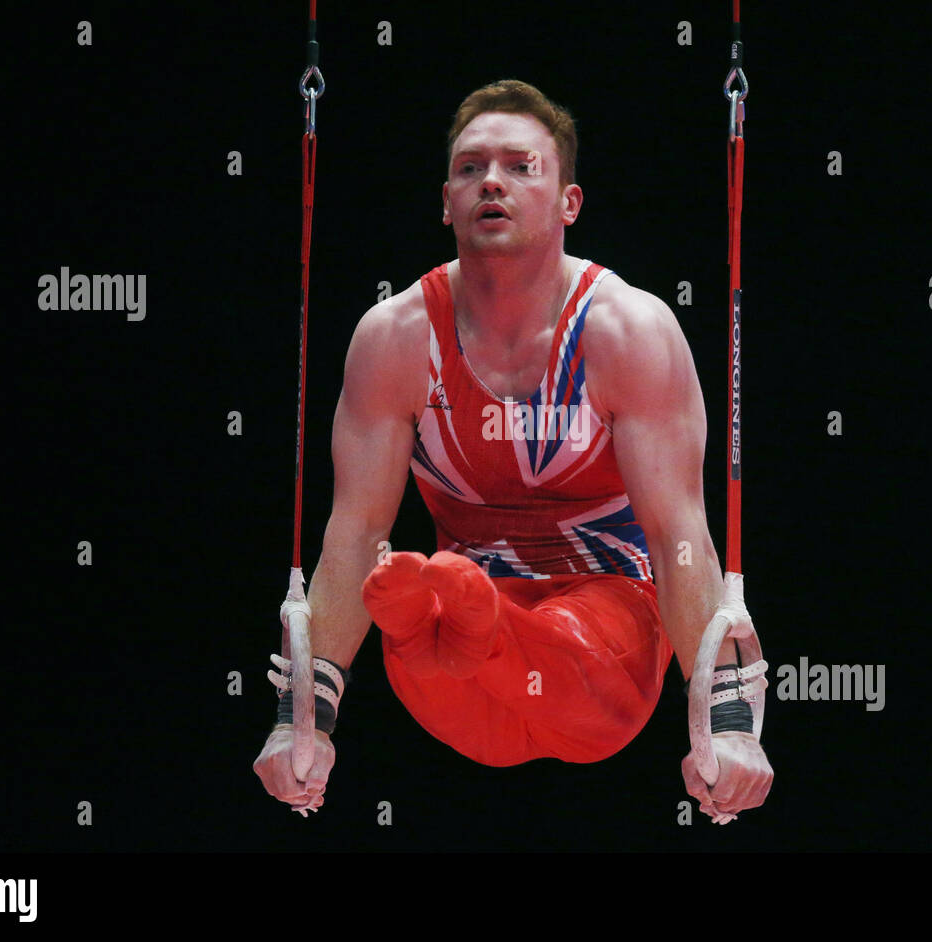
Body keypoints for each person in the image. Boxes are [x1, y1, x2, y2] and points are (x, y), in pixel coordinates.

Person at [253, 79, 772, 821]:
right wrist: (302, 720)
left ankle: (465, 613)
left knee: (520, 632)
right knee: (429, 647)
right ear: (445, 201)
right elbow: (355, 532)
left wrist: (726, 724)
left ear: (570, 202)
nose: (489, 180)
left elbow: (677, 536)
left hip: (606, 619)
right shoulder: (394, 339)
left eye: (520, 165)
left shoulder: (627, 332)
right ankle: (456, 615)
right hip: (465, 652)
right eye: (469, 168)